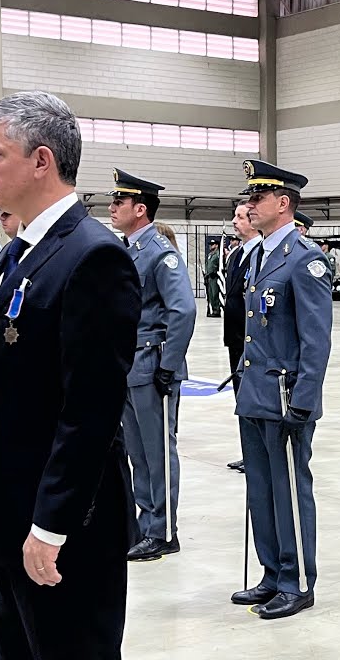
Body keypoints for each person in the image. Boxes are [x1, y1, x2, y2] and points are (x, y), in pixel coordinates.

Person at [0, 91, 140, 660]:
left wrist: (52, 525)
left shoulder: (92, 257)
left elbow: (91, 411)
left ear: (41, 161)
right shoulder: (19, 253)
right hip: (7, 517)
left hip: (62, 532)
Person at [231, 159, 332, 620]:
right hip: (255, 393)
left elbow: (316, 338)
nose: (250, 205)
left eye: (258, 197)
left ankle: (296, 582)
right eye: (250, 197)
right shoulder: (258, 255)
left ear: (283, 203)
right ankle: (272, 573)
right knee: (261, 490)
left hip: (286, 397)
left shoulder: (305, 258)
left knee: (288, 490)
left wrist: (305, 399)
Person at [107, 169, 195, 562]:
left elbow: (184, 310)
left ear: (140, 209)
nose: (111, 207)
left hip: (152, 365)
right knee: (139, 453)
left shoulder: (161, 253)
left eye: (119, 202)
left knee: (157, 451)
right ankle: (147, 525)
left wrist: (168, 365)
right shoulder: (129, 250)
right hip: (130, 365)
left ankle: (164, 530)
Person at [223, 202, 261, 473]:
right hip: (235, 340)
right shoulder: (236, 255)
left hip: (252, 342)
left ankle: (257, 454)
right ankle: (248, 452)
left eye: (239, 217)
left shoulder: (261, 252)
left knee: (254, 400)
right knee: (241, 399)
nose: (234, 221)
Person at [205, 239, 223, 317]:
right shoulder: (210, 254)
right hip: (209, 277)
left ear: (216, 245)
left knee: (215, 293)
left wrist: (216, 272)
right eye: (210, 245)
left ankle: (217, 310)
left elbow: (220, 265)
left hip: (215, 277)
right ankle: (213, 309)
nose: (210, 246)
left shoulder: (219, 254)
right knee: (211, 294)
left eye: (212, 244)